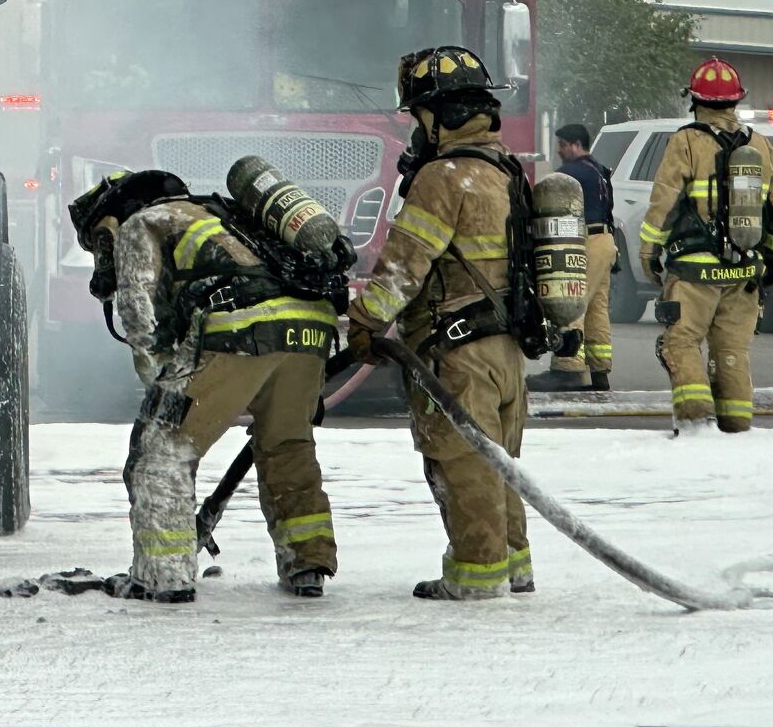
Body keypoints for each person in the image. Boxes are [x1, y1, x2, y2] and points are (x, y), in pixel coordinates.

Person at [68, 170, 341, 604]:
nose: (103, 252)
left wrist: (162, 386)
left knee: (161, 452)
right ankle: (307, 564)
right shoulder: (221, 215)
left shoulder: (143, 224)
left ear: (115, 214)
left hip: (239, 327)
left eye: (100, 239)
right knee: (287, 445)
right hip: (311, 328)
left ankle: (163, 577)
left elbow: (140, 312)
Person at [345, 45, 537, 600]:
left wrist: (364, 322)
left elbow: (405, 265)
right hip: (504, 348)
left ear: (437, 115)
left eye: (418, 116)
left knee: (463, 465)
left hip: (458, 353)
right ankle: (514, 567)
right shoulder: (506, 171)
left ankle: (477, 577)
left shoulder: (443, 177)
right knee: (500, 464)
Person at [637, 59, 773, 435]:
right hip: (744, 269)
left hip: (694, 270)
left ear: (695, 100)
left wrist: (648, 252)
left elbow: (665, 202)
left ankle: (696, 428)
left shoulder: (686, 141)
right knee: (731, 353)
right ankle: (737, 427)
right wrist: (770, 257)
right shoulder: (760, 144)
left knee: (682, 344)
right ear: (736, 101)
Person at [527, 123, 619, 392]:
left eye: (563, 144)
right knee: (597, 308)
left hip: (583, 242)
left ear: (576, 144)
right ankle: (600, 372)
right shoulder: (600, 171)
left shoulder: (570, 174)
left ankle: (568, 369)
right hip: (606, 242)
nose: (559, 150)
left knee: (571, 300)